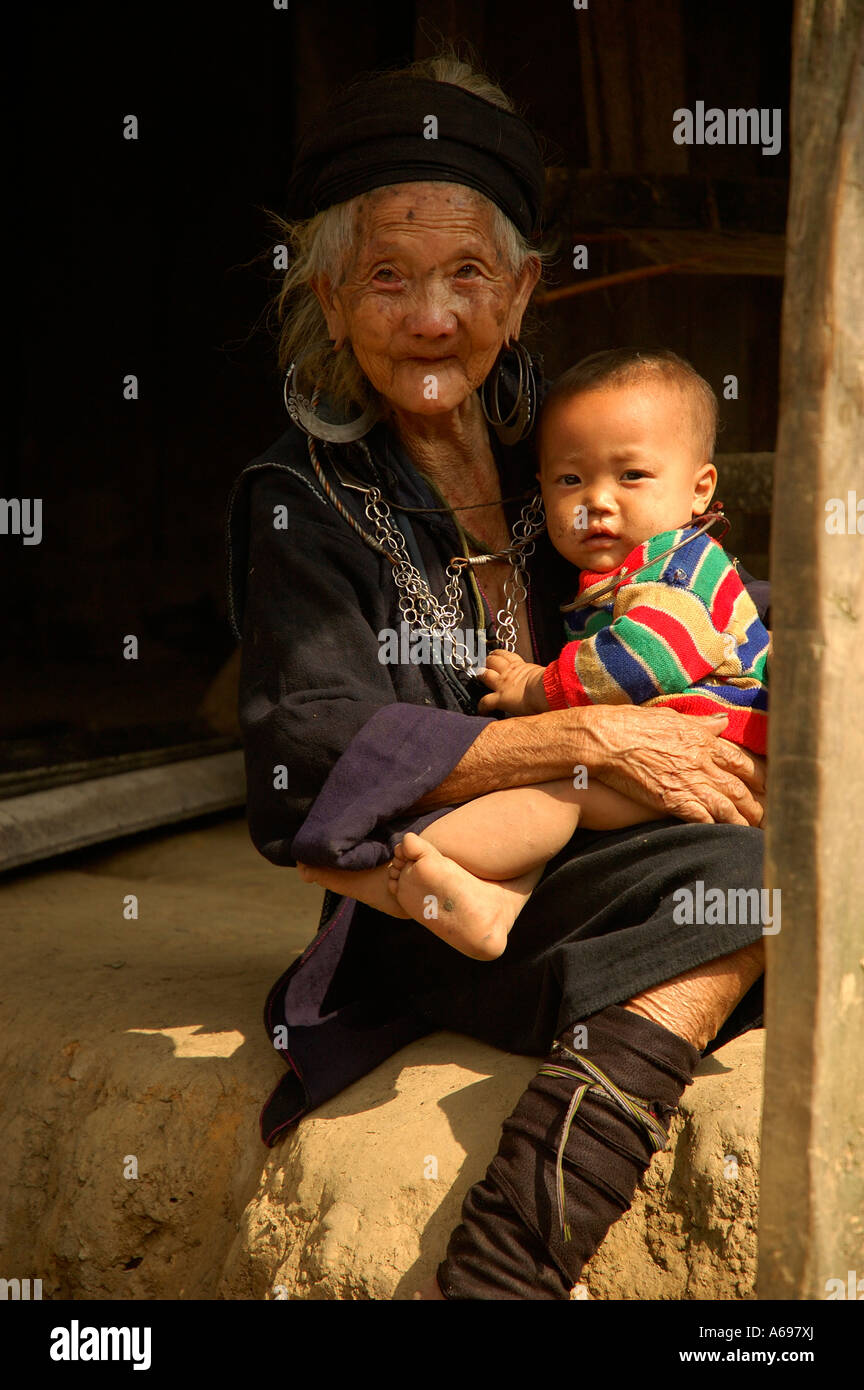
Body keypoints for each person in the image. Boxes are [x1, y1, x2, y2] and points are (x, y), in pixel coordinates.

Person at [226, 53, 770, 1301]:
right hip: (425, 889)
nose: (432, 317)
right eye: (390, 278)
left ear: (521, 291)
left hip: (574, 861)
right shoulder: (300, 501)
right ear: (328, 293)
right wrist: (597, 744)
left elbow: (695, 592)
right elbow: (300, 760)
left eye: (468, 275)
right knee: (745, 888)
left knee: (784, 860)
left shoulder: (562, 453)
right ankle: (506, 1271)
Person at [298, 348, 770, 966]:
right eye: (570, 480)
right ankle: (498, 907)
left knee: (560, 792)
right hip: (699, 757)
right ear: (542, 487)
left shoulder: (678, 569)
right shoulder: (632, 568)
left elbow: (639, 659)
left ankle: (379, 864)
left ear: (698, 488)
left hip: (718, 747)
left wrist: (536, 689)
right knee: (566, 810)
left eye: (631, 476)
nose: (597, 501)